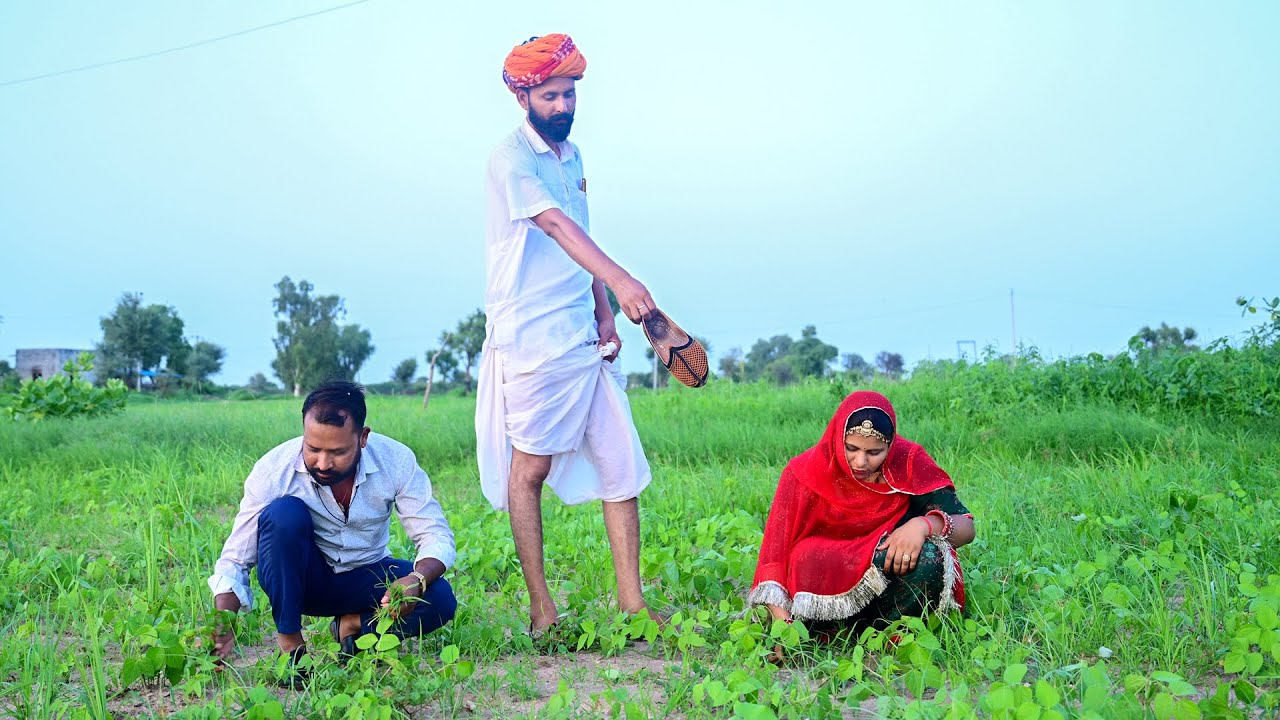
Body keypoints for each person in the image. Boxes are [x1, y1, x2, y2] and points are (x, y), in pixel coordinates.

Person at [477, 33, 661, 637]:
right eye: (552, 95)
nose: (563, 105)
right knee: (528, 470)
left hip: (582, 336)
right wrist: (626, 279)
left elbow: (580, 229)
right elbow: (553, 226)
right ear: (523, 96)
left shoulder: (571, 155)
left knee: (621, 464)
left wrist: (605, 309)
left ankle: (632, 605)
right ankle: (541, 607)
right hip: (531, 341)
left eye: (570, 93)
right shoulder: (512, 159)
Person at [208, 381, 456, 686]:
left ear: (363, 438)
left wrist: (416, 580)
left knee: (441, 597)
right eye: (312, 449)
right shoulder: (274, 470)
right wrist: (223, 622)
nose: (323, 463)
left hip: (368, 575)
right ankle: (291, 646)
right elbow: (236, 557)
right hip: (305, 583)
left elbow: (435, 535)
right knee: (283, 514)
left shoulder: (396, 461)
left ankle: (352, 625)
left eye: (338, 452)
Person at [747, 390, 975, 642]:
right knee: (805, 555)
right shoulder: (802, 472)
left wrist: (922, 525)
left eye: (874, 452)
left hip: (886, 586)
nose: (860, 461)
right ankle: (826, 634)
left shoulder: (907, 461)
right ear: (837, 437)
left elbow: (966, 527)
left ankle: (891, 636)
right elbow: (774, 557)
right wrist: (783, 626)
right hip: (817, 596)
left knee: (930, 557)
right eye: (851, 448)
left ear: (891, 445)